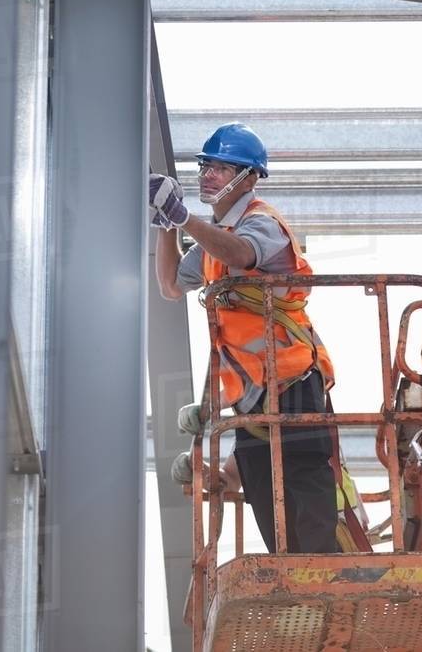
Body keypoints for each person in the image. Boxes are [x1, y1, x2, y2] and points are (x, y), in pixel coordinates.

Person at [150, 123, 338, 554]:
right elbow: (171, 285)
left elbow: (240, 255)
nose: (208, 175)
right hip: (251, 395)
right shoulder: (214, 237)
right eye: (205, 166)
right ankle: (290, 581)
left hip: (291, 382)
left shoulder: (262, 223)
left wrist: (183, 217)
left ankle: (319, 575)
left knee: (302, 480)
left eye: (221, 167)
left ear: (249, 177)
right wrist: (165, 224)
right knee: (261, 488)